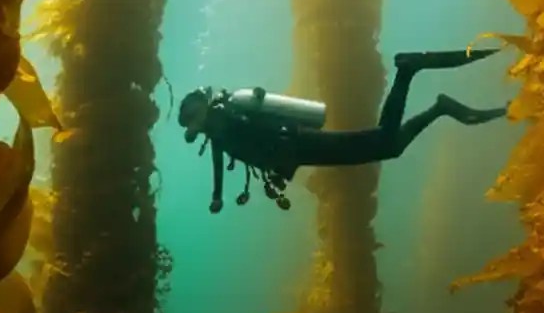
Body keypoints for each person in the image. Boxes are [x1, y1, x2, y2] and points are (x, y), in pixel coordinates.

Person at [178, 48, 507, 213]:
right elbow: (219, 161)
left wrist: (220, 193)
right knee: (389, 148)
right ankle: (441, 107)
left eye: (192, 118)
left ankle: (408, 70)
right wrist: (217, 194)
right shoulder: (215, 132)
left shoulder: (224, 117)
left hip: (298, 144)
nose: (193, 127)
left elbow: (249, 132)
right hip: (296, 154)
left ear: (201, 108)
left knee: (382, 141)